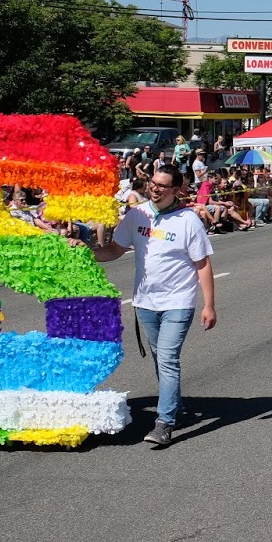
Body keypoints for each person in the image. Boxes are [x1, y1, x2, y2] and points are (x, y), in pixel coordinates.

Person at [95, 163, 218, 447]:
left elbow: (202, 264)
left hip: (178, 301)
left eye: (162, 185)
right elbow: (115, 249)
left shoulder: (188, 220)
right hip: (145, 302)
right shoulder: (137, 214)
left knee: (167, 357)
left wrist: (209, 305)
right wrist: (87, 253)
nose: (155, 188)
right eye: (153, 182)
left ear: (176, 190)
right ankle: (172, 403)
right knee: (159, 357)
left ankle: (164, 422)